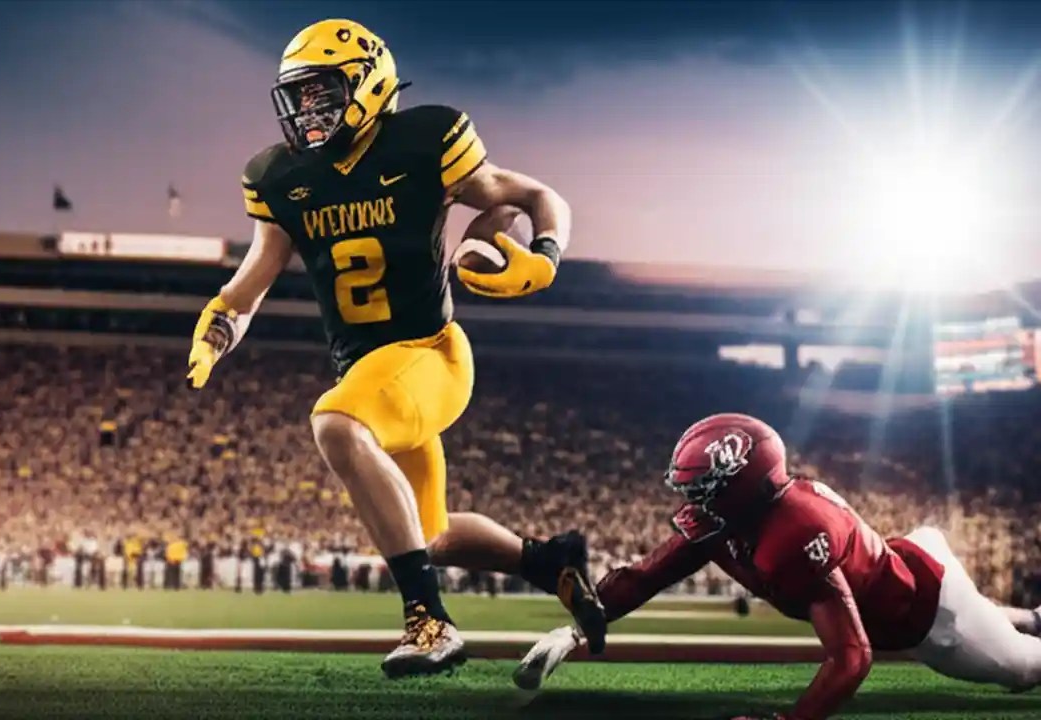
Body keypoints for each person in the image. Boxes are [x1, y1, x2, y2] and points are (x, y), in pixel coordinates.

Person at [185, 18, 606, 679]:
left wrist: (547, 256)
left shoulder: (423, 140)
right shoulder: (281, 177)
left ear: (369, 84)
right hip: (374, 375)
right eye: (299, 96)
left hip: (429, 353)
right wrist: (216, 329)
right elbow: (250, 284)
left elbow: (534, 195)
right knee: (427, 534)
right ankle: (552, 559)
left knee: (335, 423)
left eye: (322, 92)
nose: (308, 110)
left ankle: (430, 622)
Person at [514, 413, 1041, 720]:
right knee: (992, 617)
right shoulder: (738, 517)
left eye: (704, 487)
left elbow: (853, 657)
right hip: (903, 561)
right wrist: (577, 626)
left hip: (929, 614)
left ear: (741, 487)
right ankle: (1029, 615)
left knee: (1024, 670)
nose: (694, 499)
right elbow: (648, 574)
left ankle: (1024, 629)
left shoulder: (794, 534)